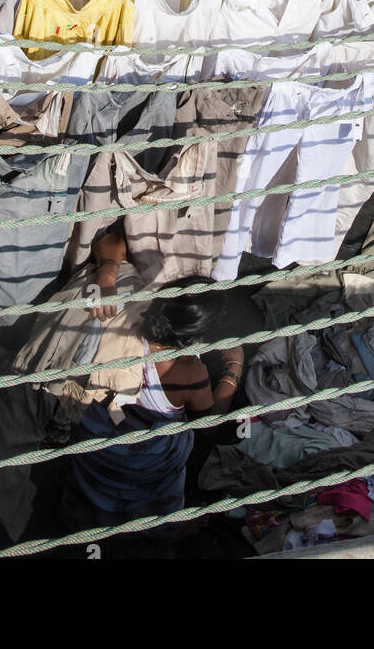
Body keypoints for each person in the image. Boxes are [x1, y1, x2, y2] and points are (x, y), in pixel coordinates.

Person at [59, 231, 244, 538]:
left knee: (91, 487)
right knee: (154, 503)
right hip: (143, 467)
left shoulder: (124, 310)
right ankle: (164, 529)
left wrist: (108, 273)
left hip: (94, 444)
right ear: (194, 336)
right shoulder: (187, 369)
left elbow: (110, 240)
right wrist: (233, 370)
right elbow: (210, 425)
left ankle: (85, 522)